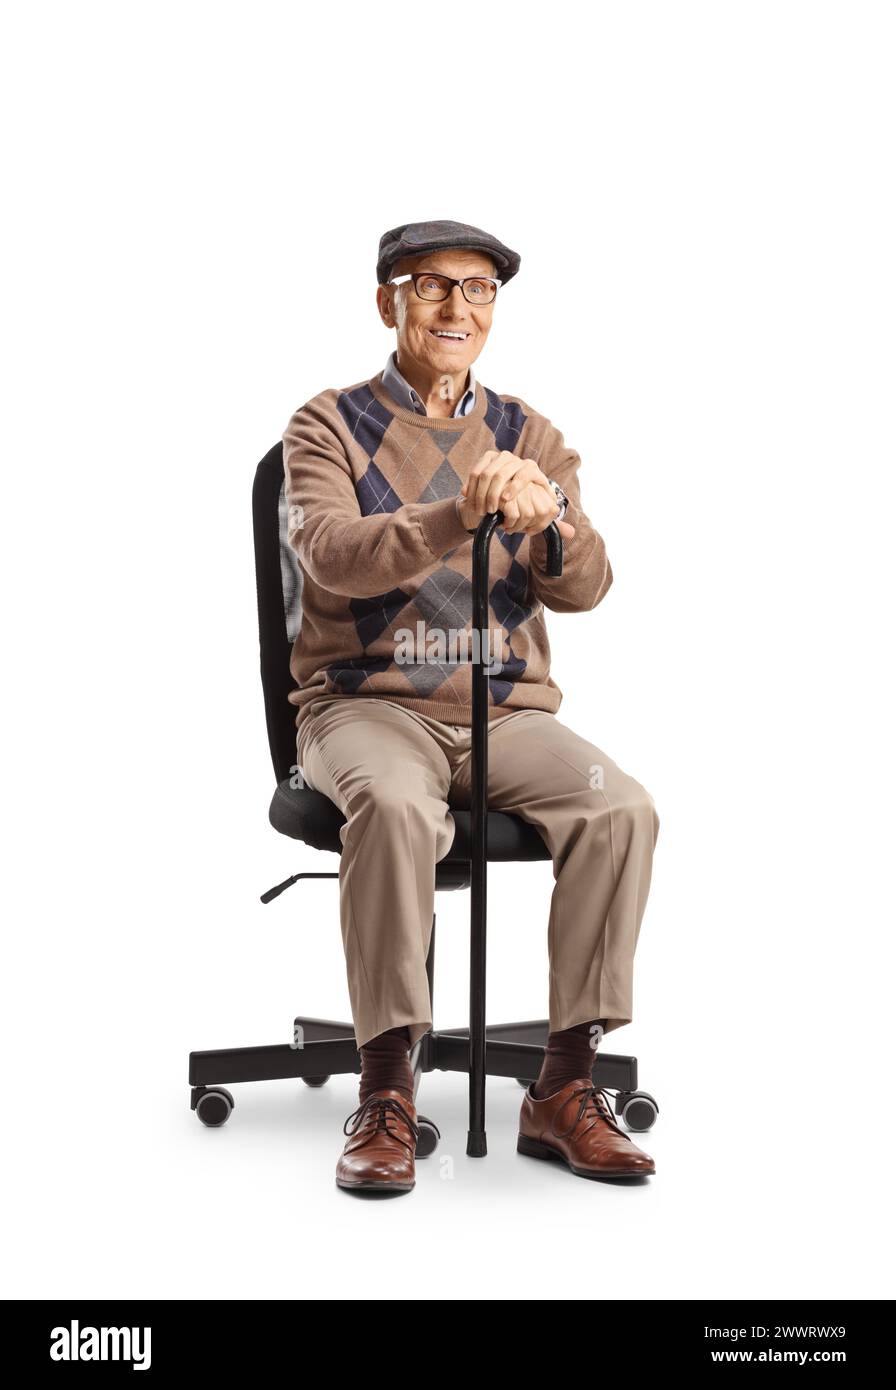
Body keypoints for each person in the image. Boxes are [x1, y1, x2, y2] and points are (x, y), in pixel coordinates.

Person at [282, 219, 659, 1194]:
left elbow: (588, 586)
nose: (457, 308)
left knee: (617, 805)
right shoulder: (327, 426)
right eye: (431, 286)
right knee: (400, 804)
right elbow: (330, 554)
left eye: (478, 290)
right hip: (366, 704)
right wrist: (458, 512)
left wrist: (551, 523)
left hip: (503, 709)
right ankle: (386, 1087)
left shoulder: (528, 434)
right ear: (386, 303)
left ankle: (563, 1085)